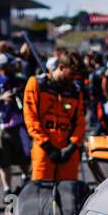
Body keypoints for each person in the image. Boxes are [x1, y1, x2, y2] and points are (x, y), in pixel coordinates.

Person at [24, 50, 84, 182]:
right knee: (42, 193)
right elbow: (30, 118)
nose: (74, 79)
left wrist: (72, 146)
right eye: (71, 74)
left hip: (68, 149)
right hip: (44, 148)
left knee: (68, 194)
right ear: (61, 67)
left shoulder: (75, 91)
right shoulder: (37, 84)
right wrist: (47, 147)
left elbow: (80, 122)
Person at [0, 54, 29, 196]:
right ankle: (7, 189)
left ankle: (26, 180)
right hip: (1, 127)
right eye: (10, 64)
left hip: (19, 126)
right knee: (3, 160)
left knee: (25, 157)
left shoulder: (20, 80)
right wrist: (1, 99)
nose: (14, 67)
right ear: (2, 67)